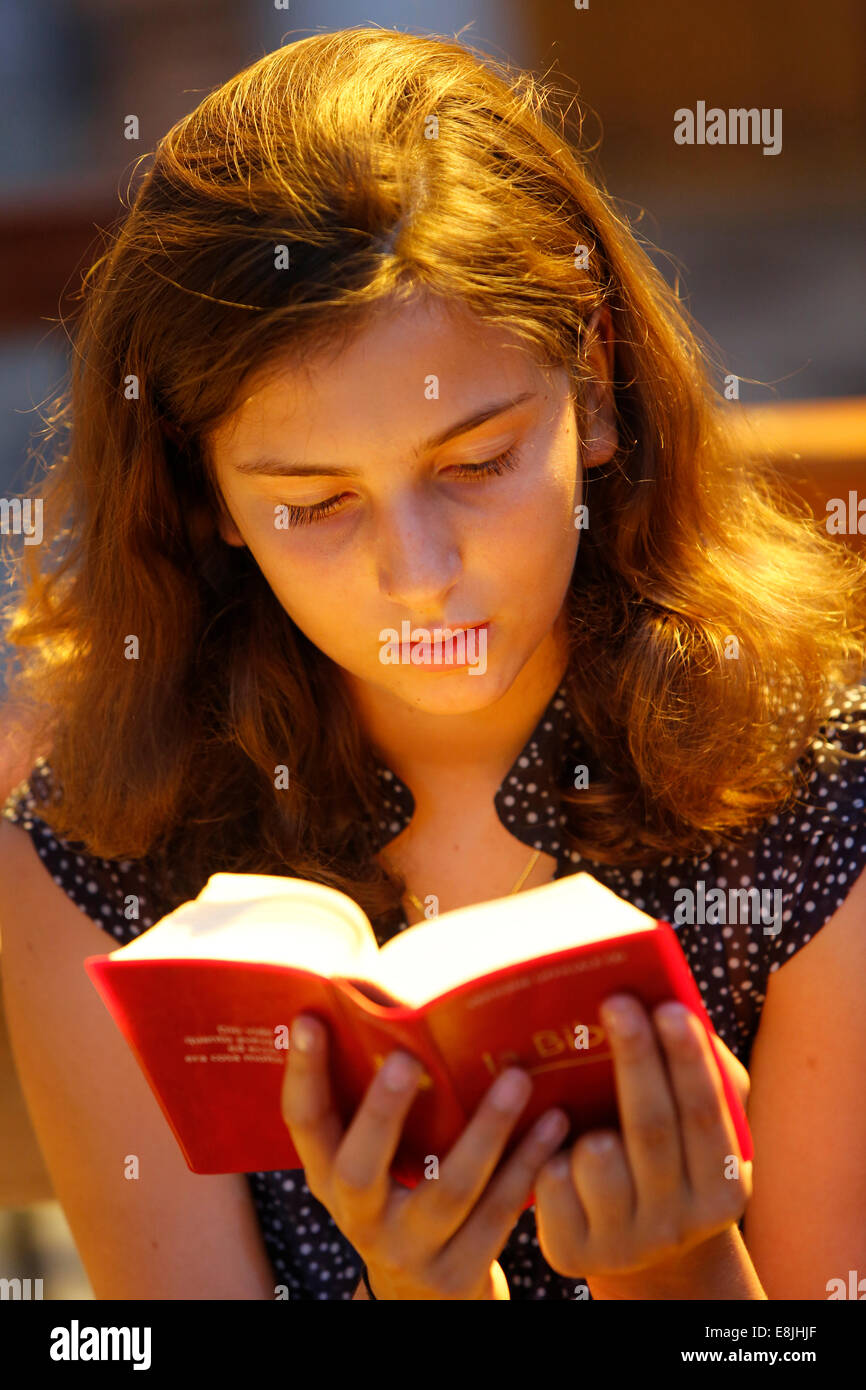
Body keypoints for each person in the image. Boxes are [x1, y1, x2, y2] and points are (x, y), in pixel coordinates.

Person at [1, 27, 865, 1302]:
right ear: (208, 500)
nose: (418, 574)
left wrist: (677, 1271)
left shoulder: (811, 794)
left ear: (596, 387)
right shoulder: (100, 837)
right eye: (315, 502)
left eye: (474, 465)